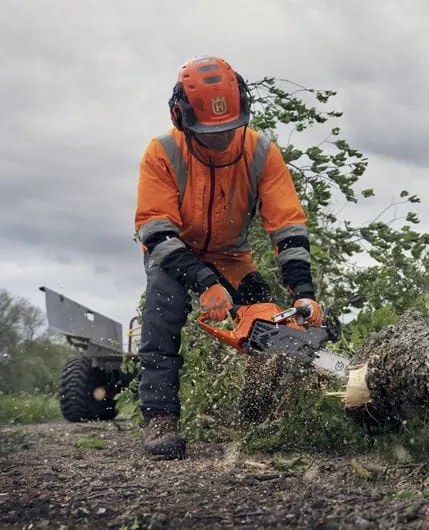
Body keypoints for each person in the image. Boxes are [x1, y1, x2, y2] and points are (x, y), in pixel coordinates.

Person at [134, 56, 321, 459]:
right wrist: (204, 283)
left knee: (267, 321)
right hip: (174, 253)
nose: (220, 138)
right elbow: (156, 231)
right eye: (210, 132)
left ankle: (261, 416)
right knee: (163, 307)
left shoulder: (261, 153)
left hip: (231, 257)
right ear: (181, 116)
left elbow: (287, 227)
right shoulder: (163, 152)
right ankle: (160, 417)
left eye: (227, 130)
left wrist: (303, 292)